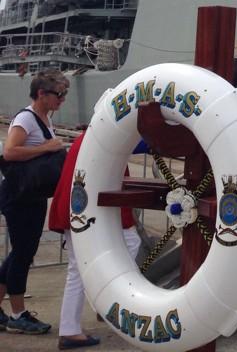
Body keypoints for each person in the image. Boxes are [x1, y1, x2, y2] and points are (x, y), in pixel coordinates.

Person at [49, 129, 142, 349]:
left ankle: (85, 316)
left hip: (76, 209)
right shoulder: (106, 139)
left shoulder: (91, 137)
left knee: (78, 268)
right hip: (84, 211)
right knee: (127, 244)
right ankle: (86, 316)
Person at [0, 69, 69, 336]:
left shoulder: (45, 118)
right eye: (59, 95)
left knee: (22, 252)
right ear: (42, 94)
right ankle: (18, 315)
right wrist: (46, 147)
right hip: (19, 198)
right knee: (22, 254)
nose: (62, 99)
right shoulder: (26, 119)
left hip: (32, 196)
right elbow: (10, 152)